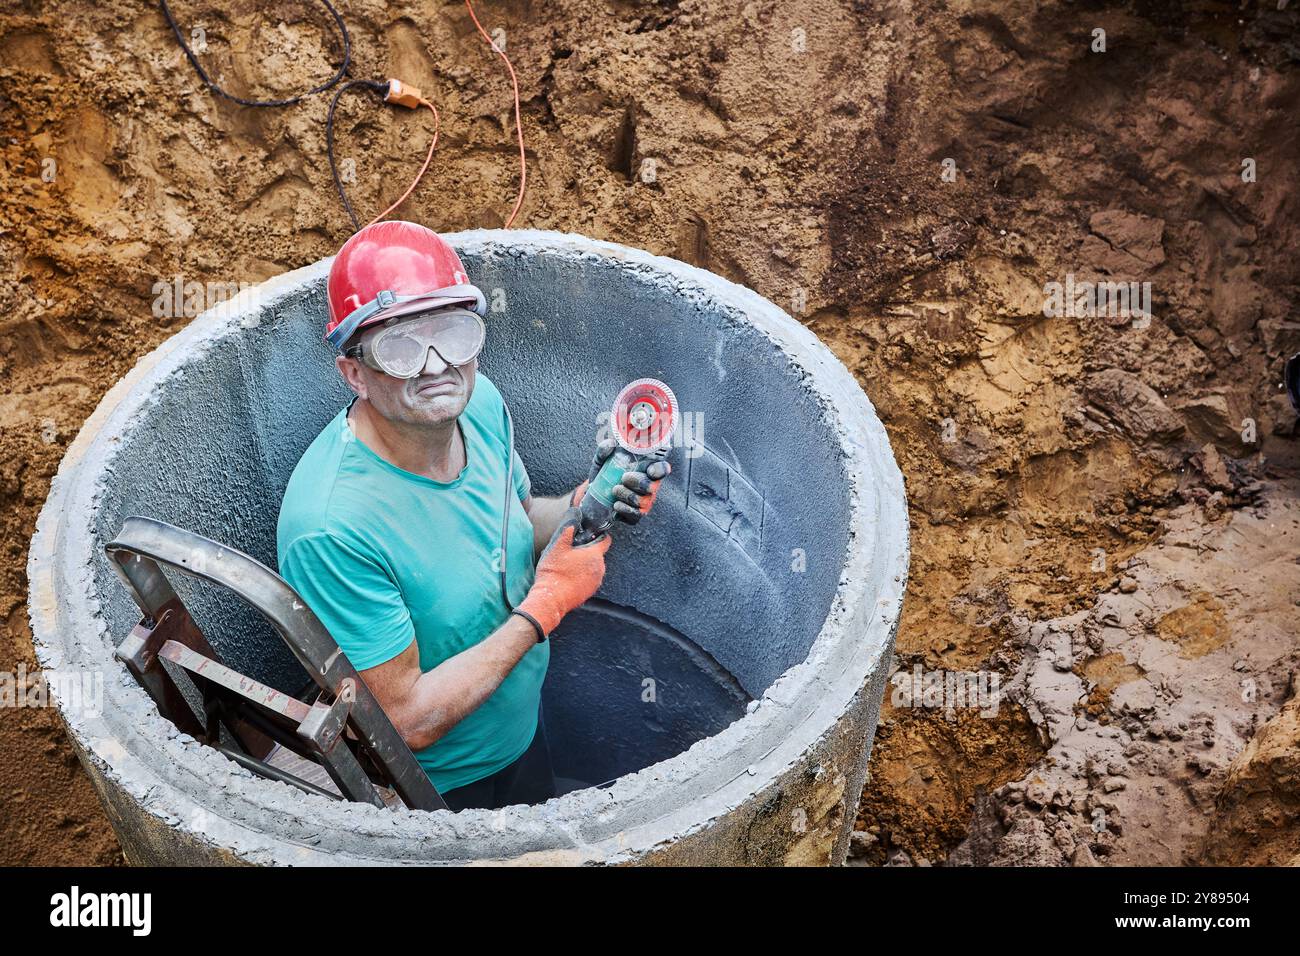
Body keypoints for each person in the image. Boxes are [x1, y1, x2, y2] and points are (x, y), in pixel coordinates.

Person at [276, 221, 670, 810]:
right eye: (401, 347)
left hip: (519, 730)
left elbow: (514, 520)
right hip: (441, 787)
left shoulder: (480, 405)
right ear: (354, 372)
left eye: (453, 333)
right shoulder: (333, 528)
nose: (437, 366)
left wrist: (581, 506)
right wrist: (544, 608)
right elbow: (406, 719)